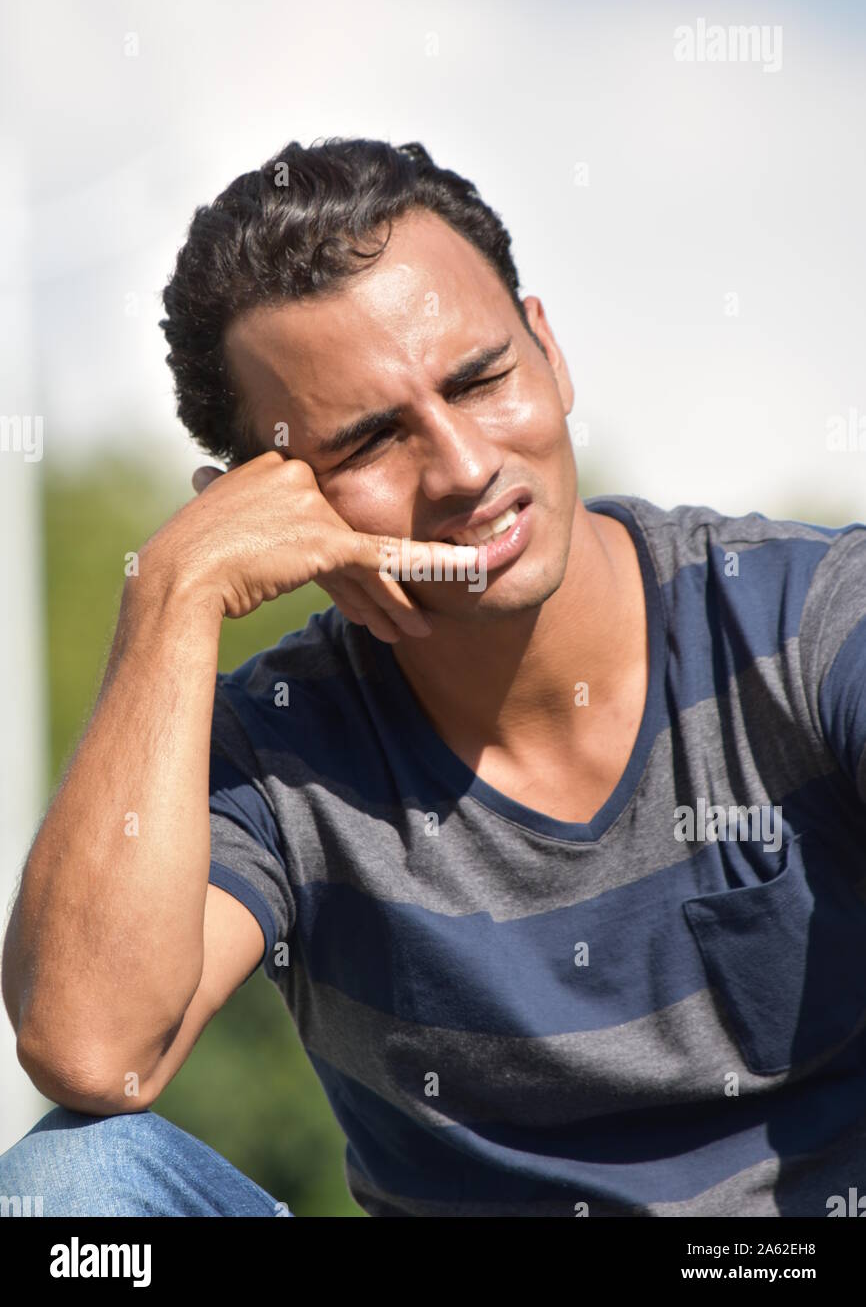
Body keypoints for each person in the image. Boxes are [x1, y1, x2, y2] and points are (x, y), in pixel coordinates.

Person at [2, 137, 866, 1218]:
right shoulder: (271, 754)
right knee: (64, 1191)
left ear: (546, 350)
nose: (462, 469)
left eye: (480, 377)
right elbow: (92, 1052)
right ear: (264, 505)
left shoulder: (814, 622)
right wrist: (171, 593)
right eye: (369, 441)